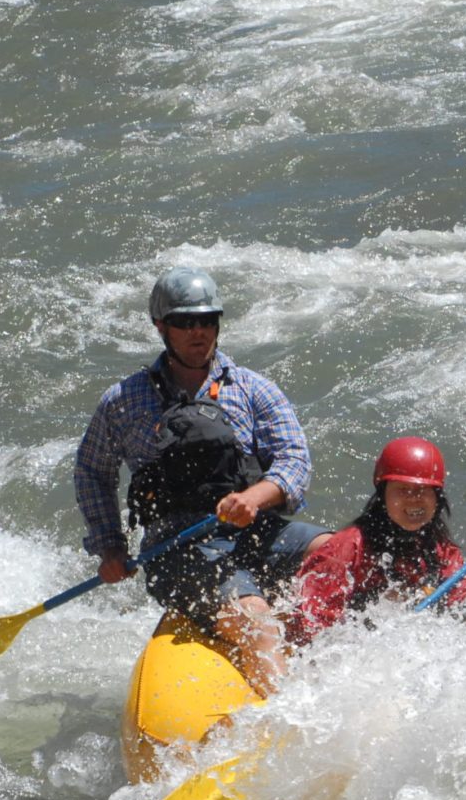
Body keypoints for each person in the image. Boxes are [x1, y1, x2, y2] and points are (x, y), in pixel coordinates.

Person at [73, 265, 325, 695]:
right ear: (161, 326)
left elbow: (294, 460)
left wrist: (254, 497)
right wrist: (110, 545)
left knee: (338, 552)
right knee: (258, 623)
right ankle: (290, 720)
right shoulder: (123, 401)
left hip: (254, 532)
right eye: (185, 322)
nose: (198, 332)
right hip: (179, 549)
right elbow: (93, 472)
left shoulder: (253, 390)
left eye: (207, 321)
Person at [288, 436, 466, 648]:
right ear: (383, 495)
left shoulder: (441, 550)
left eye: (423, 491)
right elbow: (311, 631)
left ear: (437, 498)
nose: (414, 500)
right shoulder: (346, 549)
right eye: (403, 490)